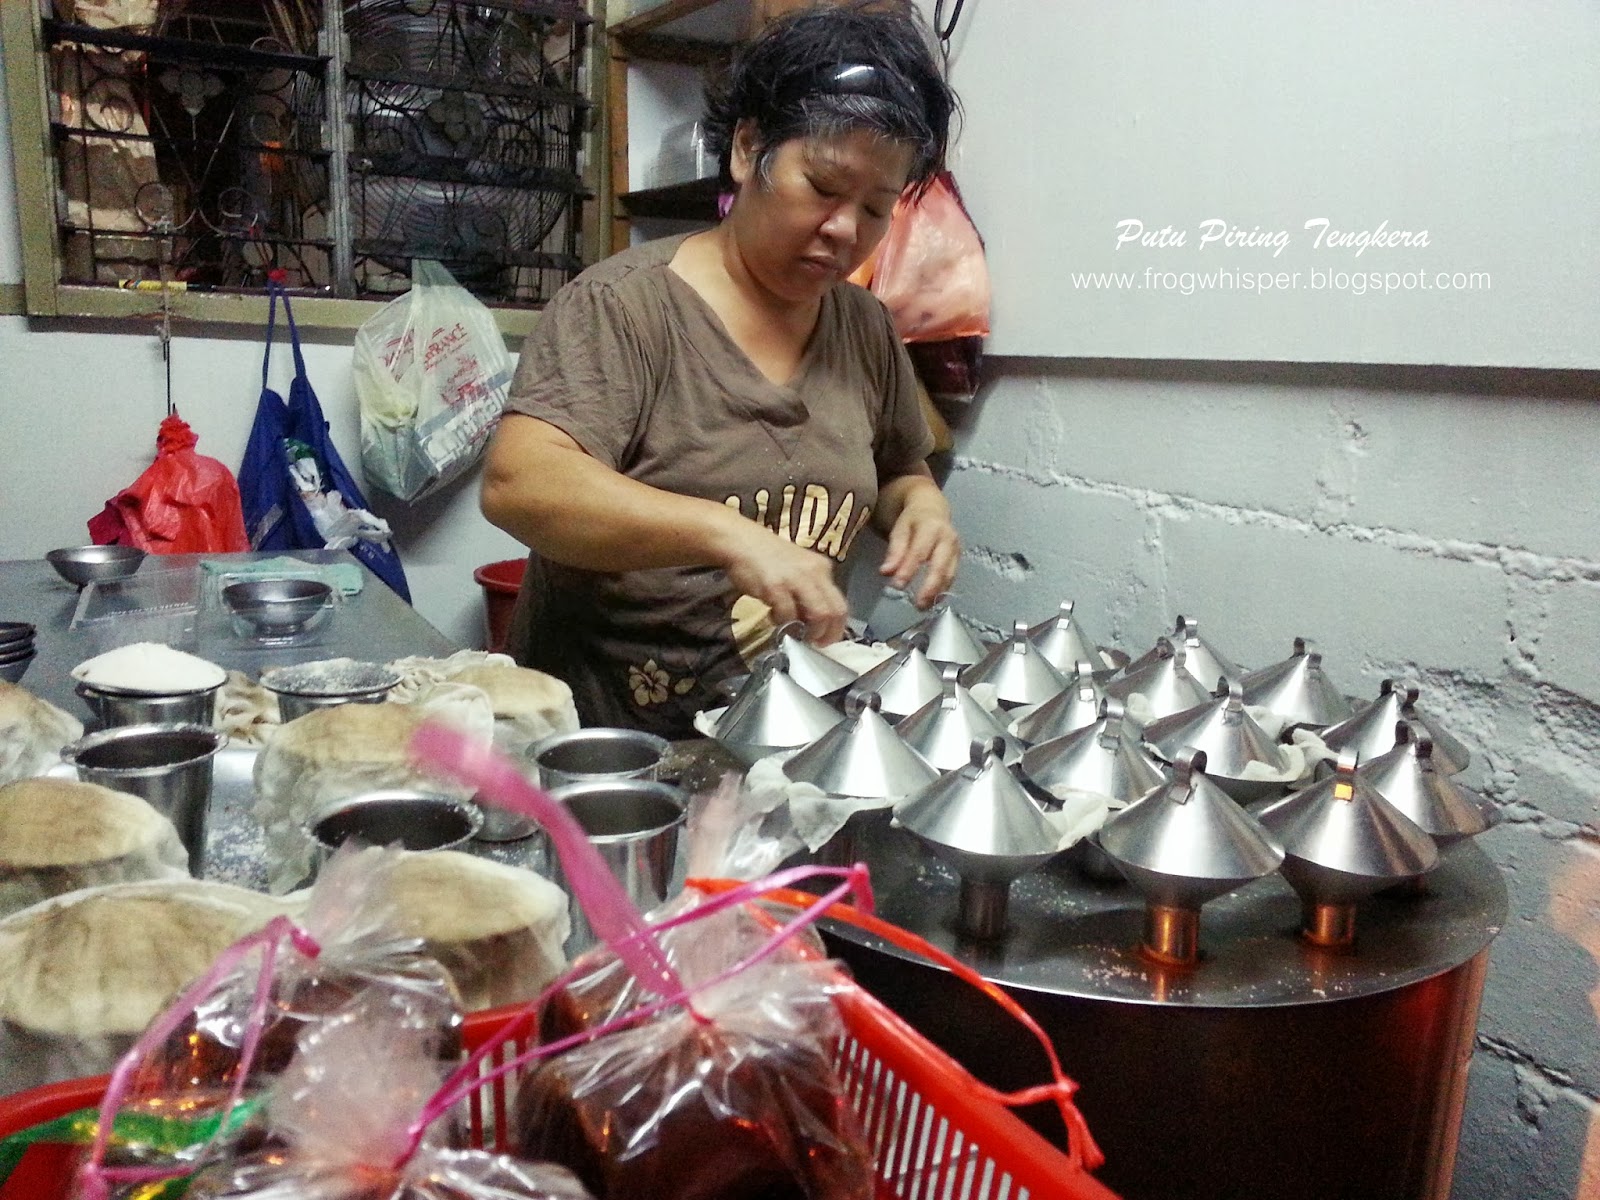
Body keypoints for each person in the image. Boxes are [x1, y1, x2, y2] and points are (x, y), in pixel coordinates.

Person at [481, 2, 962, 738]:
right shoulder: (624, 307)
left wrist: (922, 510)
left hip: (771, 733)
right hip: (611, 749)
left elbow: (900, 466)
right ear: (748, 150)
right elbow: (521, 485)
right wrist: (726, 534)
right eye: (823, 187)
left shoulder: (864, 327)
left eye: (875, 206)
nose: (844, 229)